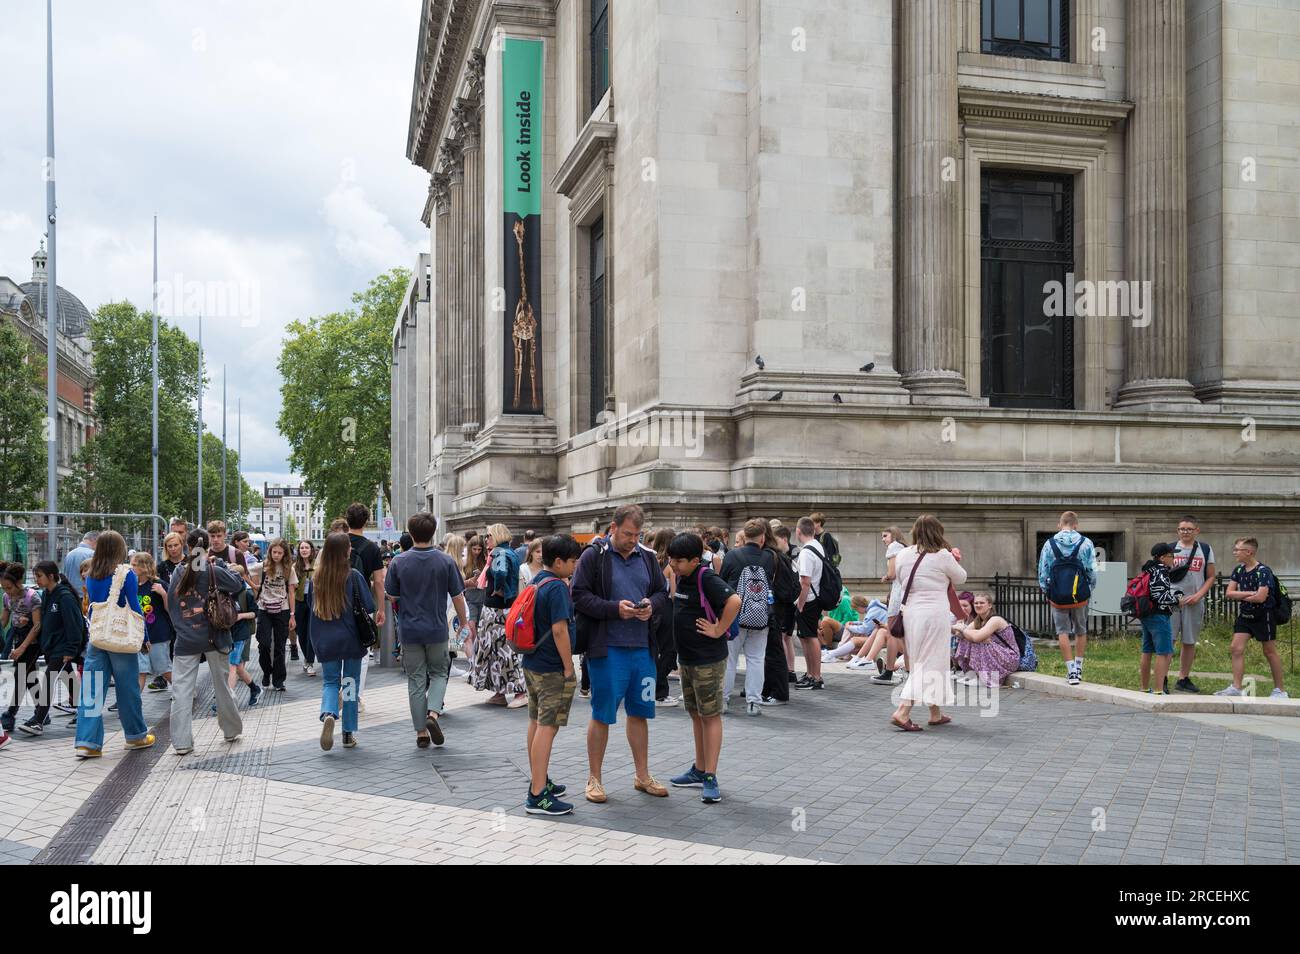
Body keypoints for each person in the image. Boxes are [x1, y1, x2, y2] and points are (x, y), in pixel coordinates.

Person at [572, 503, 671, 804]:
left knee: (640, 713)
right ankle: (594, 779)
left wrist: (651, 605)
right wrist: (615, 610)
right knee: (602, 713)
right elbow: (578, 596)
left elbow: (661, 592)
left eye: (637, 534)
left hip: (642, 648)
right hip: (607, 648)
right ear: (613, 528)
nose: (632, 539)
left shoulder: (648, 558)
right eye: (628, 533)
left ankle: (642, 775)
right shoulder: (594, 556)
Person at [666, 532, 741, 804]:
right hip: (688, 659)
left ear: (696, 560)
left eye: (679, 560)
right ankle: (699, 769)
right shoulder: (683, 575)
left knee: (709, 716)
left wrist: (719, 628)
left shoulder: (704, 576)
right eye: (671, 559)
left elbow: (734, 601)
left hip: (707, 659)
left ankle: (710, 774)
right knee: (696, 714)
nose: (673, 564)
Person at [385, 512, 469, 748]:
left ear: (410, 534)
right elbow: (458, 597)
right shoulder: (445, 561)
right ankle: (433, 714)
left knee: (416, 680)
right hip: (437, 629)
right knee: (440, 673)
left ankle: (421, 731)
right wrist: (464, 623)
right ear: (434, 533)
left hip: (410, 630)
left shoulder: (399, 562)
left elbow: (392, 594)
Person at [76, 531, 155, 758]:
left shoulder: (91, 575)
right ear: (119, 549)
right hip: (120, 639)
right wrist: (144, 638)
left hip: (98, 638)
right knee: (127, 689)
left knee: (91, 689)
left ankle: (88, 743)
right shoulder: (125, 574)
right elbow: (135, 608)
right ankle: (135, 736)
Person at [166, 530, 245, 754]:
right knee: (221, 685)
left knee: (181, 690)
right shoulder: (212, 570)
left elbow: (171, 606)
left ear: (187, 548)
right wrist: (223, 566)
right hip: (214, 636)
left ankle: (181, 743)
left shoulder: (178, 572)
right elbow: (238, 585)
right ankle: (230, 730)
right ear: (207, 547)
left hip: (185, 639)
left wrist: (182, 629)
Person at [523, 534, 584, 816]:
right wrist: (569, 667)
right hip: (551, 668)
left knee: (536, 723)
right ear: (558, 561)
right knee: (548, 726)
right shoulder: (557, 587)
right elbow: (560, 629)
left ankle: (540, 779)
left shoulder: (537, 579)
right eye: (572, 561)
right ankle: (537, 795)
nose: (574, 566)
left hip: (533, 662)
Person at [889, 515, 967, 731]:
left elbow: (900, 579)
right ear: (938, 532)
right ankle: (903, 711)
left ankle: (935, 713)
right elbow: (961, 578)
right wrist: (954, 558)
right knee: (930, 662)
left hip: (911, 614)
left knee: (922, 661)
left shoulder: (903, 554)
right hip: (934, 615)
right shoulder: (942, 555)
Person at [307, 531, 375, 750]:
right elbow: (368, 605)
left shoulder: (315, 578)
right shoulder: (353, 575)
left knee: (330, 682)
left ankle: (329, 713)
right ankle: (347, 733)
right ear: (345, 551)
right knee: (349, 683)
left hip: (325, 639)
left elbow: (310, 607)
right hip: (351, 638)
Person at [1217, 537, 1287, 698]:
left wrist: (1241, 595)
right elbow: (1229, 593)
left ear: (1249, 552)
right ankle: (1236, 687)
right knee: (1236, 648)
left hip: (1264, 615)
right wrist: (1249, 594)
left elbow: (1261, 598)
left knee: (1269, 651)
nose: (1235, 552)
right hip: (1246, 614)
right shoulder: (1239, 570)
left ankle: (1280, 690)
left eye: (1237, 550)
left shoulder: (1263, 571)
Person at [720, 518, 775, 716]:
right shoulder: (769, 557)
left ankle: (723, 701)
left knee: (729, 659)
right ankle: (753, 702)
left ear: (744, 535)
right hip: (761, 617)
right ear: (762, 537)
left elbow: (722, 583)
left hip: (734, 615)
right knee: (756, 659)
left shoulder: (732, 556)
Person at [470, 523, 527, 708]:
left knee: (501, 651)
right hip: (502, 610)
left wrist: (497, 589)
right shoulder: (508, 552)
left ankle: (519, 692)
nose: (486, 539)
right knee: (498, 651)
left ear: (497, 536)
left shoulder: (499, 553)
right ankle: (501, 692)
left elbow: (501, 572)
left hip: (497, 612)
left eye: (489, 535)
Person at [1037, 511, 1097, 686]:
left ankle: (1070, 671)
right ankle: (1079, 667)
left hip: (1057, 595)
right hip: (1079, 595)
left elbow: (1043, 571)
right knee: (1081, 630)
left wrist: (1048, 591)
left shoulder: (1049, 544)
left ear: (1059, 525)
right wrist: (1088, 589)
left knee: (1062, 631)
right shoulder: (1086, 543)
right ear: (1076, 525)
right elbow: (1092, 570)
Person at [1169, 516, 1216, 694]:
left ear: (1197, 530)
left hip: (1194, 601)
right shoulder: (1171, 549)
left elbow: (1211, 576)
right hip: (1173, 602)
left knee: (1189, 641)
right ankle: (1163, 676)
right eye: (1182, 529)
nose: (1185, 532)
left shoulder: (1204, 549)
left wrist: (1198, 595)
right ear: (1177, 530)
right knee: (1169, 639)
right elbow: (1160, 574)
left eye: (1189, 529)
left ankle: (1183, 677)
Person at [2, 563, 44, 735]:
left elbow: (37, 626)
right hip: (18, 639)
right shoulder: (6, 597)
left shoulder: (32, 597)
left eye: (9, 587)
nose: (7, 591)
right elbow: (3, 621)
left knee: (21, 677)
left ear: (19, 582)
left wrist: (22, 648)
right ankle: (42, 713)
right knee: (30, 678)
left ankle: (10, 714)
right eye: (4, 588)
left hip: (33, 643)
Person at [1136, 544, 1183, 695]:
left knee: (1147, 650)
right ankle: (1158, 689)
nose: (1174, 559)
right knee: (1164, 652)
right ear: (1162, 557)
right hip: (1159, 614)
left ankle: (1144, 687)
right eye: (1172, 556)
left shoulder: (1148, 569)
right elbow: (1159, 595)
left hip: (1146, 613)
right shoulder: (1161, 570)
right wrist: (1177, 600)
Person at [760, 523, 796, 704]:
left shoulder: (771, 556)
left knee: (774, 650)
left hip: (776, 607)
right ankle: (767, 689)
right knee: (771, 650)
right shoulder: (778, 555)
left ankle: (779, 693)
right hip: (778, 606)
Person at [255, 538, 297, 692]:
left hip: (283, 609)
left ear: (284, 553)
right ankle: (267, 672)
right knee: (263, 644)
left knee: (280, 646)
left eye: (280, 552)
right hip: (264, 609)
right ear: (270, 552)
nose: (277, 555)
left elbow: (291, 592)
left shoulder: (288, 569)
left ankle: (279, 680)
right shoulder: (263, 566)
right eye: (274, 552)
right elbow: (245, 570)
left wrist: (292, 615)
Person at [953, 593, 1020, 689]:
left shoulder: (995, 619)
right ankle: (972, 674)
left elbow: (977, 637)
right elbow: (960, 635)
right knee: (967, 638)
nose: (978, 605)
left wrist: (963, 629)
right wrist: (958, 626)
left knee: (981, 641)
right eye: (976, 603)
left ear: (989, 605)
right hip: (997, 655)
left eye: (981, 603)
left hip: (1010, 658)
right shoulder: (978, 620)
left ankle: (986, 679)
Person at [129, 552, 173, 694]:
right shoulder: (132, 585)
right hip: (139, 636)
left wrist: (164, 594)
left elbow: (170, 609)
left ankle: (185, 691)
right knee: (140, 671)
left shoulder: (157, 584)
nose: (132, 567)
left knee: (163, 669)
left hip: (157, 634)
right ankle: (133, 703)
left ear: (144, 566)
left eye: (135, 565)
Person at [793, 517, 828, 690]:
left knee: (810, 637)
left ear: (798, 531)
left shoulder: (806, 551)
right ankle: (810, 674)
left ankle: (816, 676)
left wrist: (800, 604)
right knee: (806, 636)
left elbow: (805, 581)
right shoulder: (817, 545)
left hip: (809, 600)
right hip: (815, 597)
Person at [647, 527, 679, 707]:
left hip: (652, 607)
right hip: (667, 609)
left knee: (654, 650)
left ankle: (653, 688)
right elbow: (673, 593)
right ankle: (659, 692)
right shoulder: (670, 565)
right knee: (668, 650)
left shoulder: (650, 561)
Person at [224, 578, 261, 707]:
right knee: (239, 668)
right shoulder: (220, 594)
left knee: (232, 666)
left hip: (240, 634)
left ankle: (226, 702)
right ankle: (255, 689)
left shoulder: (245, 594)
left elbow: (255, 613)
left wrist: (240, 616)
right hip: (225, 635)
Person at [827, 596, 889, 665]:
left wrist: (849, 627)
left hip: (882, 637)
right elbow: (867, 624)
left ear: (859, 607)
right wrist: (854, 623)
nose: (857, 612)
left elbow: (865, 629)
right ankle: (834, 653)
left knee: (855, 639)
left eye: (856, 610)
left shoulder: (873, 610)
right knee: (851, 632)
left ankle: (832, 653)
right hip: (878, 635)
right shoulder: (874, 609)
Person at [293, 539, 318, 676]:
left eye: (306, 547)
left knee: (311, 632)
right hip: (300, 601)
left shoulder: (318, 565)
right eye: (301, 548)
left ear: (311, 549)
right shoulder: (295, 566)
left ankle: (309, 662)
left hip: (314, 601)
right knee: (301, 633)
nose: (304, 550)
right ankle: (307, 659)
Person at [62, 530, 98, 600]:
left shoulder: (69, 554)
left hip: (70, 596)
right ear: (95, 540)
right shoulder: (92, 554)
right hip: (85, 597)